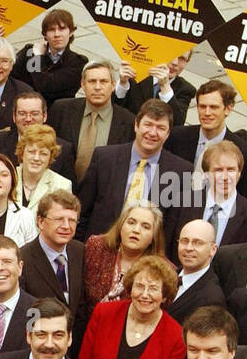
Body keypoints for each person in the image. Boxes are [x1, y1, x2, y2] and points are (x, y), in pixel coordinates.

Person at [75, 99, 194, 240]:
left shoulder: (183, 171)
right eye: (148, 125)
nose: (152, 132)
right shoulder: (104, 158)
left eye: (160, 128)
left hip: (148, 258)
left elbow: (178, 226)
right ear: (136, 125)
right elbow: (83, 211)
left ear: (168, 134)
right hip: (101, 248)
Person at [49, 60, 134, 183]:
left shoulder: (128, 121)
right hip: (60, 190)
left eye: (103, 81)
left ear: (113, 85)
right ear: (83, 85)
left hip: (102, 193)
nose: (98, 87)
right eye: (92, 81)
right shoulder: (61, 109)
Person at [20, 190, 86, 334]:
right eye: (59, 219)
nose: (66, 226)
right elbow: (24, 312)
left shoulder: (80, 251)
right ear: (40, 222)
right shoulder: (22, 258)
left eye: (72, 220)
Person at [84, 202, 165, 308]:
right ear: (121, 226)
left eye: (145, 227)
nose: (136, 230)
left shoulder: (162, 269)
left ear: (154, 236)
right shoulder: (96, 246)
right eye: (131, 223)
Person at [11, 8, 87, 109]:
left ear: (71, 32)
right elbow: (8, 74)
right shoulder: (29, 53)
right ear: (45, 35)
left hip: (56, 117)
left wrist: (38, 59)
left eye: (62, 29)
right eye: (52, 30)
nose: (57, 34)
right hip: (26, 112)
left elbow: (47, 87)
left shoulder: (78, 63)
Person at [168, 219, 228, 325]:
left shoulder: (212, 298)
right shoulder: (168, 276)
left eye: (198, 243)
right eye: (184, 241)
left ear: (213, 249)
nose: (189, 248)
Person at [15, 124, 72, 211]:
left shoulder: (62, 186)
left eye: (43, 154)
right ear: (22, 153)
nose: (36, 158)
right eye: (31, 152)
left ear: (50, 157)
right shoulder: (8, 177)